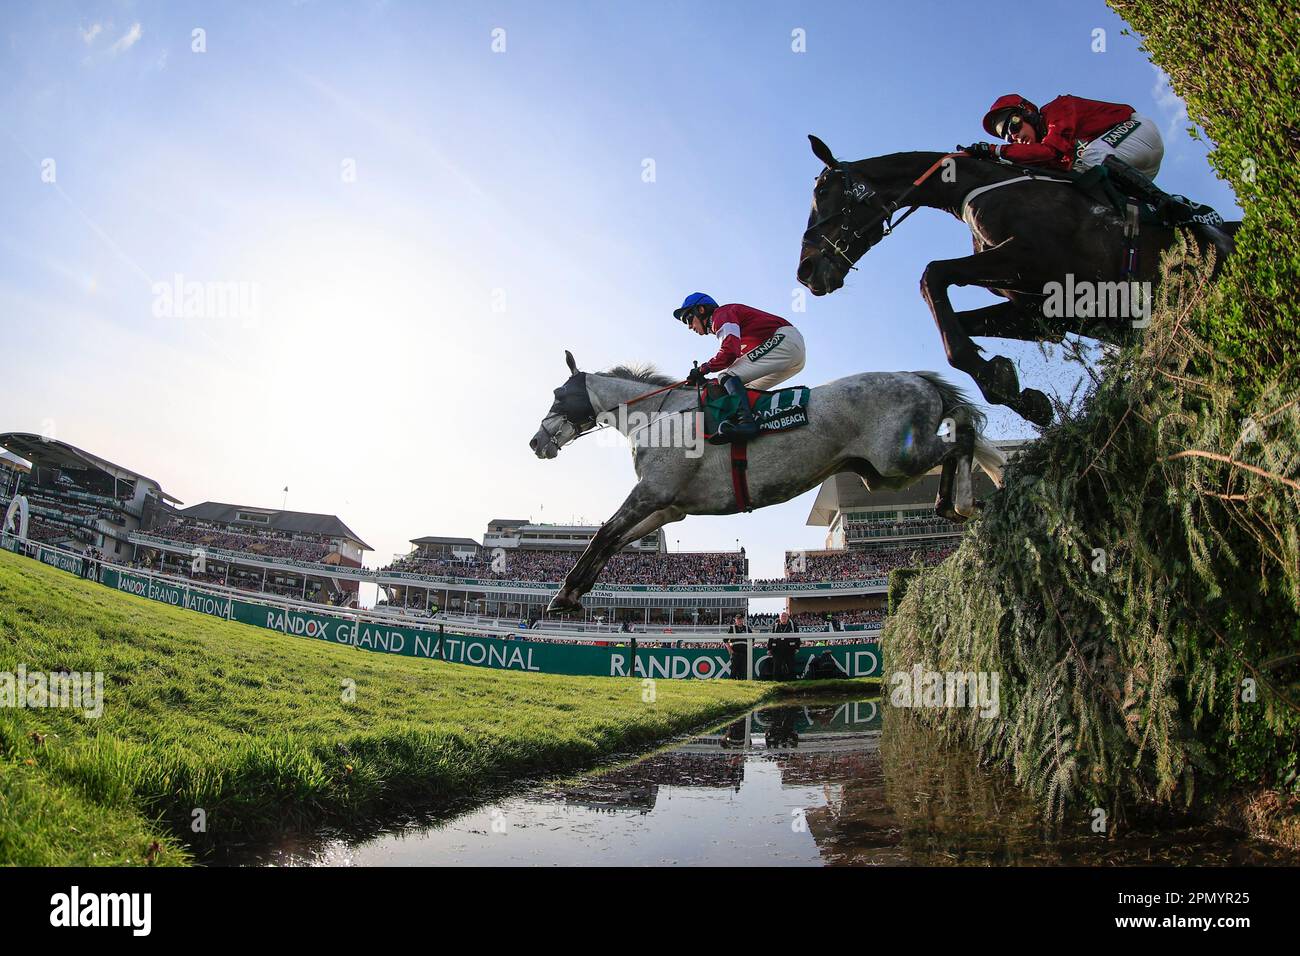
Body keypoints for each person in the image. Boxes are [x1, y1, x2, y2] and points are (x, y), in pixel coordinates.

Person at [962, 93, 1214, 229]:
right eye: (1007, 136)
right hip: (1132, 168)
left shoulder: (1058, 109)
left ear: (1028, 112)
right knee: (1078, 178)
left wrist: (996, 151)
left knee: (1087, 156)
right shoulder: (1035, 145)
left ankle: (1163, 201)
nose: (1014, 136)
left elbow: (1051, 150)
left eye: (1014, 124)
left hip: (1137, 130)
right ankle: (1179, 211)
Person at [674, 293, 807, 440]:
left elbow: (729, 352)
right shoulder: (728, 325)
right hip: (792, 352)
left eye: (688, 319)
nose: (689, 326)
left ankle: (747, 425)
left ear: (700, 310)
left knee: (726, 376)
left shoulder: (721, 314)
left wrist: (702, 369)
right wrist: (705, 379)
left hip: (785, 340)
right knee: (738, 390)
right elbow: (734, 361)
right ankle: (754, 423)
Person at [767, 610, 802, 681]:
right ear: (779, 618)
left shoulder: (793, 625)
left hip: (789, 649)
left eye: (785, 616)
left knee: (791, 667)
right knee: (777, 667)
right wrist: (769, 649)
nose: (783, 618)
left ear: (788, 617)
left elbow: (797, 637)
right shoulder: (775, 626)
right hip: (777, 650)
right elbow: (770, 638)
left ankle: (792, 682)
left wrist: (797, 647)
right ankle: (776, 681)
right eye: (782, 616)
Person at [724, 613, 751, 680]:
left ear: (743, 620)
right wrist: (730, 650)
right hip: (735, 652)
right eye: (738, 619)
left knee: (742, 671)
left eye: (741, 619)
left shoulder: (747, 628)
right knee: (734, 670)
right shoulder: (732, 628)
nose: (739, 621)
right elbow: (725, 640)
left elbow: (752, 639)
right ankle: (732, 686)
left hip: (745, 652)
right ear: (735, 620)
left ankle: (742, 685)